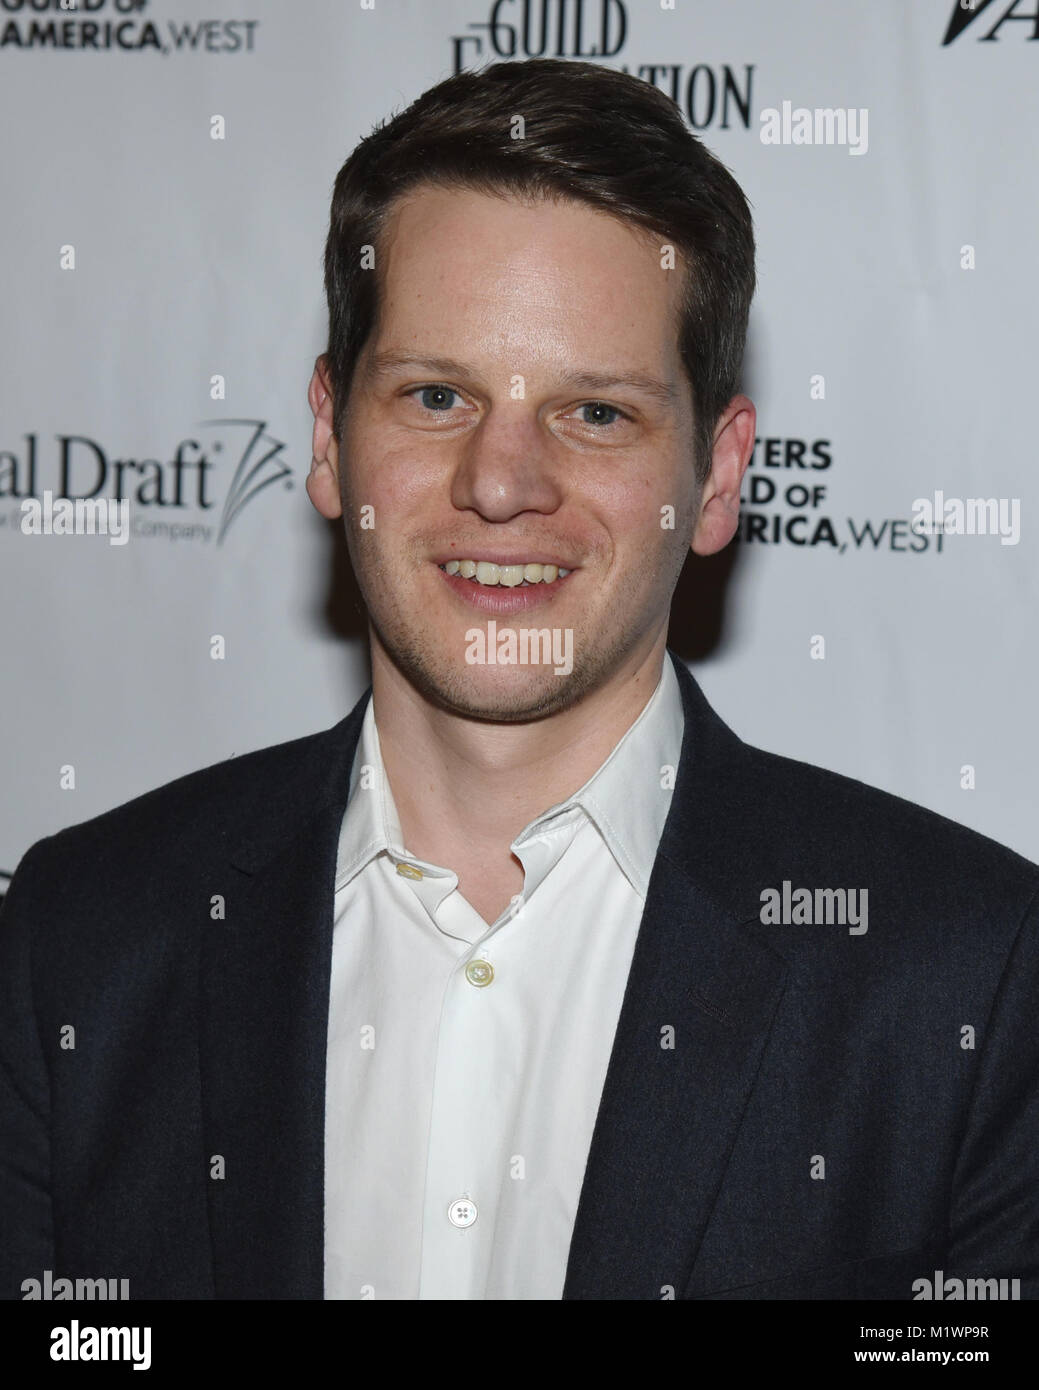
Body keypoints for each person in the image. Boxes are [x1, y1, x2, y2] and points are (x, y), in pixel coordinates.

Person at [2, 57, 1037, 1303]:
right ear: (329, 440)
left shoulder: (964, 974)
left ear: (714, 478)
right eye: (436, 395)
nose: (501, 483)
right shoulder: (85, 938)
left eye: (594, 413)